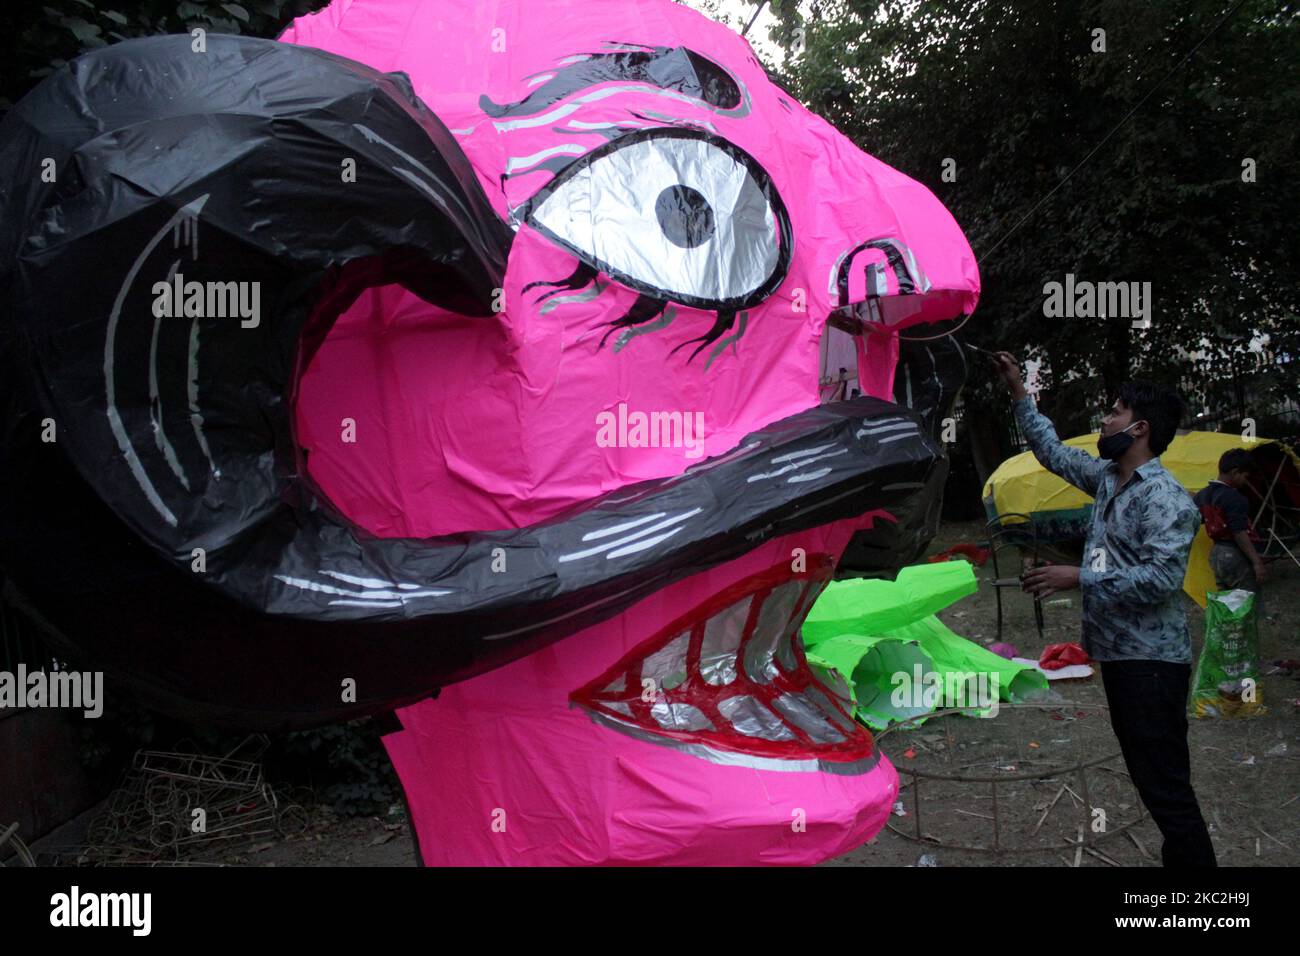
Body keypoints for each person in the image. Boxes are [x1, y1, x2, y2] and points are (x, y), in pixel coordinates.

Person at [992, 352, 1216, 867]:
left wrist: (1079, 576)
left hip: (1152, 665)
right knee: (1154, 780)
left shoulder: (1165, 499)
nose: (1104, 420)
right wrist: (1019, 393)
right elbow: (1049, 451)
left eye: (1114, 412)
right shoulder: (1108, 480)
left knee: (1165, 787)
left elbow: (1163, 580)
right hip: (1120, 658)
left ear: (1138, 428)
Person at [1193, 449, 1268, 608]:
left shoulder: (1203, 495)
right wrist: (1257, 562)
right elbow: (1239, 532)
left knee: (1226, 604)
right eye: (1245, 477)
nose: (1246, 481)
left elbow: (1197, 518)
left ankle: (1228, 631)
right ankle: (1244, 632)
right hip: (1234, 554)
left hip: (1216, 556)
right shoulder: (1235, 498)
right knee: (1246, 604)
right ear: (1235, 472)